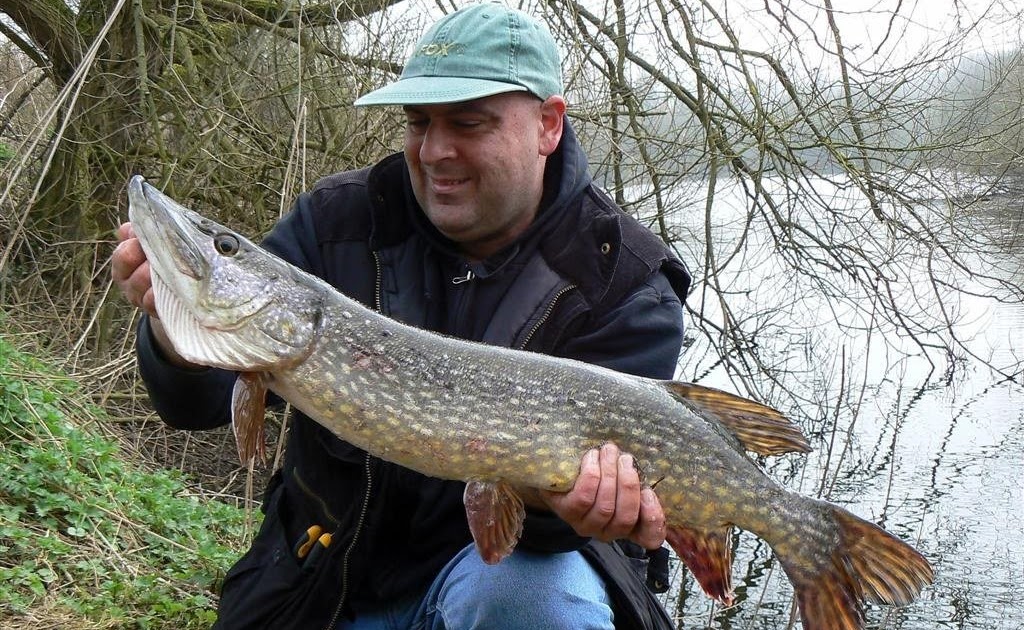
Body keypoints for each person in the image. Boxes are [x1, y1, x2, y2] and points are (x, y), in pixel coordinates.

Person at [112, 3, 691, 629]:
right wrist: (174, 330)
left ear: (548, 125)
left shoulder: (625, 285)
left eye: (469, 123)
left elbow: (551, 536)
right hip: (323, 580)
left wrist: (563, 508)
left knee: (541, 597)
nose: (436, 150)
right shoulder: (338, 223)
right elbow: (192, 405)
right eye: (418, 123)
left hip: (489, 588)